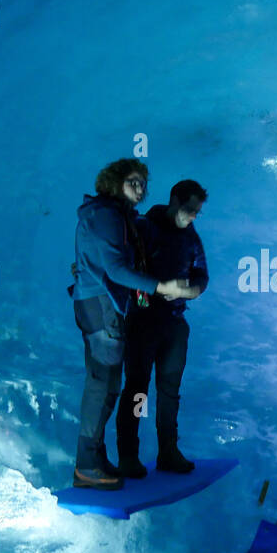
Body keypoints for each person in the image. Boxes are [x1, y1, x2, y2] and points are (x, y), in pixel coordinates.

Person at [69, 159, 194, 489]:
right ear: (114, 182)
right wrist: (161, 286)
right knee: (104, 386)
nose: (140, 188)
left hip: (100, 304)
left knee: (108, 384)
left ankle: (94, 458)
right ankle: (86, 465)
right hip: (101, 307)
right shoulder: (108, 215)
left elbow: (107, 259)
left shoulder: (113, 214)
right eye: (133, 182)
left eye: (142, 183)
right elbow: (116, 269)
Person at [116, 180, 209, 477]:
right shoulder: (145, 228)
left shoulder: (191, 237)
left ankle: (168, 452)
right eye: (188, 209)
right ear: (173, 200)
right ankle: (128, 456)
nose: (192, 216)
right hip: (143, 322)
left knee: (169, 391)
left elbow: (202, 277)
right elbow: (121, 268)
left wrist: (186, 292)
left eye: (197, 212)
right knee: (137, 390)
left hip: (174, 323)